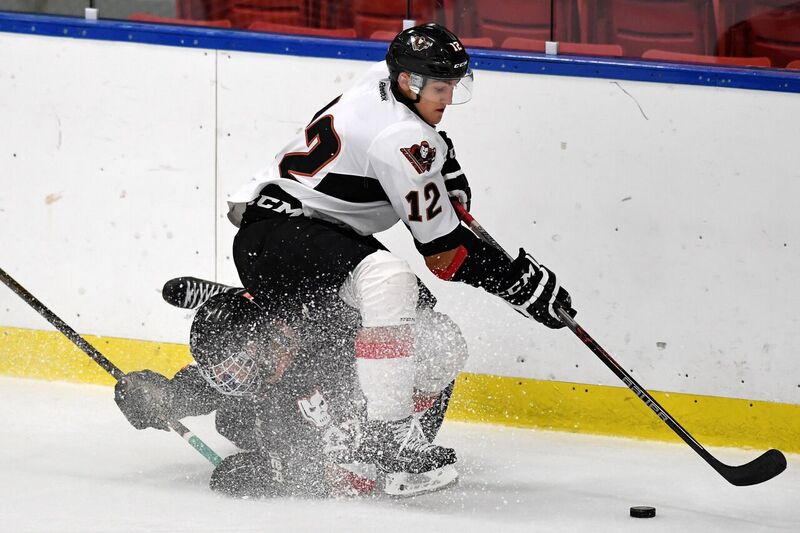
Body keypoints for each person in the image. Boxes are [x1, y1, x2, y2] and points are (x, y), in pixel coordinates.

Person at [225, 23, 577, 485]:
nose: (448, 98)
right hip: (276, 237)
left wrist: (445, 166)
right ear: (409, 83)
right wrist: (518, 284)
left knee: (441, 346)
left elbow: (431, 159)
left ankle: (357, 456)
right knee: (390, 278)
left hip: (328, 242)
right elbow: (444, 255)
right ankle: (386, 436)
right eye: (439, 86)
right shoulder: (402, 139)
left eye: (453, 85)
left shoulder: (384, 78)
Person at [115, 278, 468, 497]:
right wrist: (166, 398)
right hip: (292, 373)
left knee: (249, 421)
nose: (231, 378)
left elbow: (353, 476)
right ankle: (245, 298)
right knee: (237, 414)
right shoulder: (267, 358)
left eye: (236, 365)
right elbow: (213, 383)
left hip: (369, 409)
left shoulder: (340, 358)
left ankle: (246, 298)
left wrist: (275, 472)